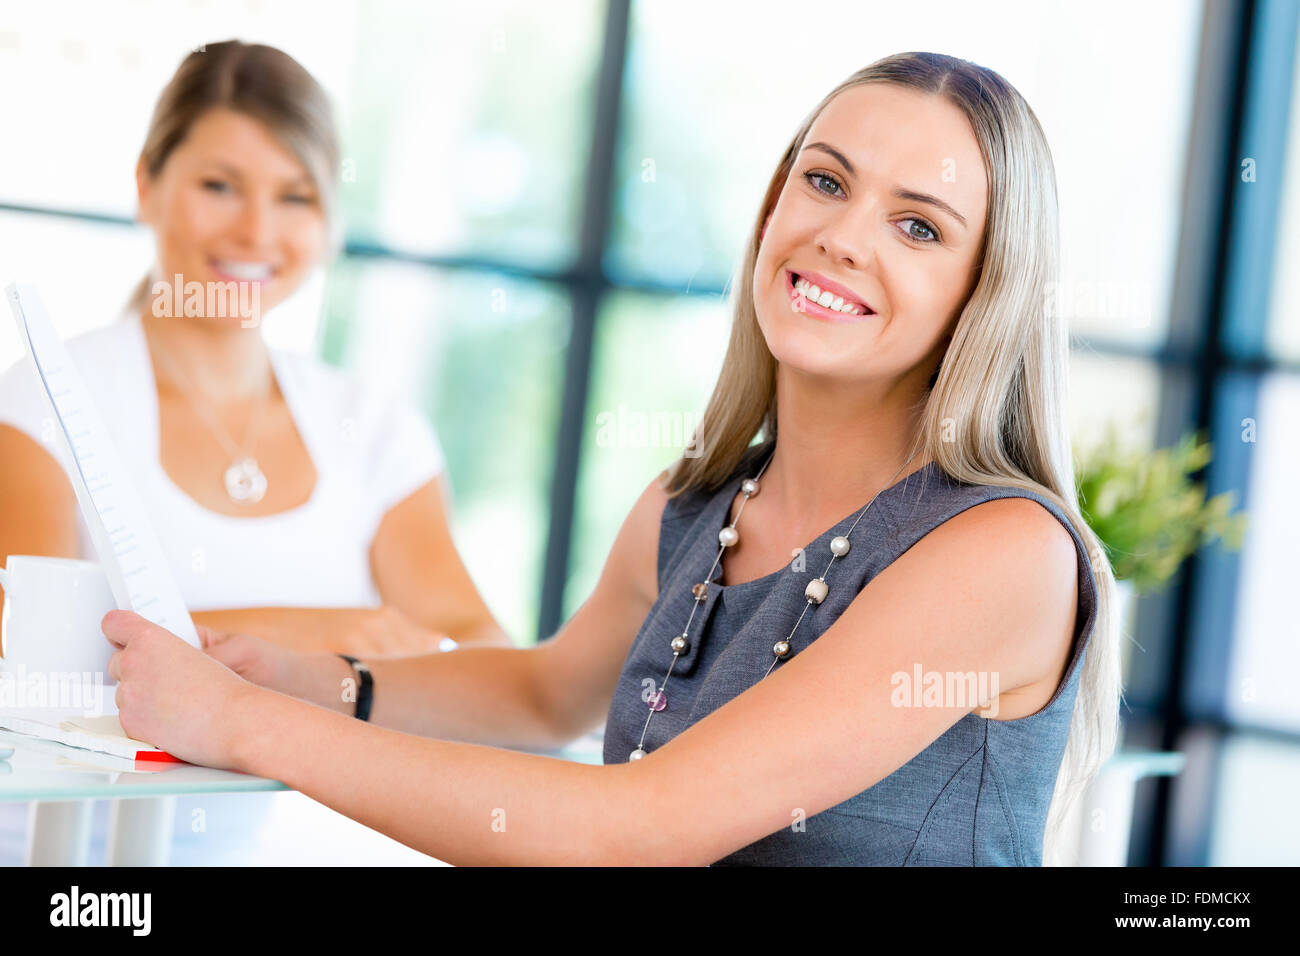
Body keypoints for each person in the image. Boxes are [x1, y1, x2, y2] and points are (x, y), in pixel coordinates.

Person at [101, 51, 1122, 866]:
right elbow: (545, 694)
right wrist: (309, 679)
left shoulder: (1000, 553)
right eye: (823, 180)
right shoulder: (693, 503)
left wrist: (240, 723)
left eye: (915, 224)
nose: (843, 237)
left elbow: (640, 828)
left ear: (983, 291)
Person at [0, 40, 506, 865]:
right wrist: (346, 637)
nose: (256, 230)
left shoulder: (375, 431)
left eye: (295, 196)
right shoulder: (46, 399)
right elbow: (32, 660)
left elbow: (487, 662)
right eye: (218, 185)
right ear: (146, 185)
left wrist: (180, 643)